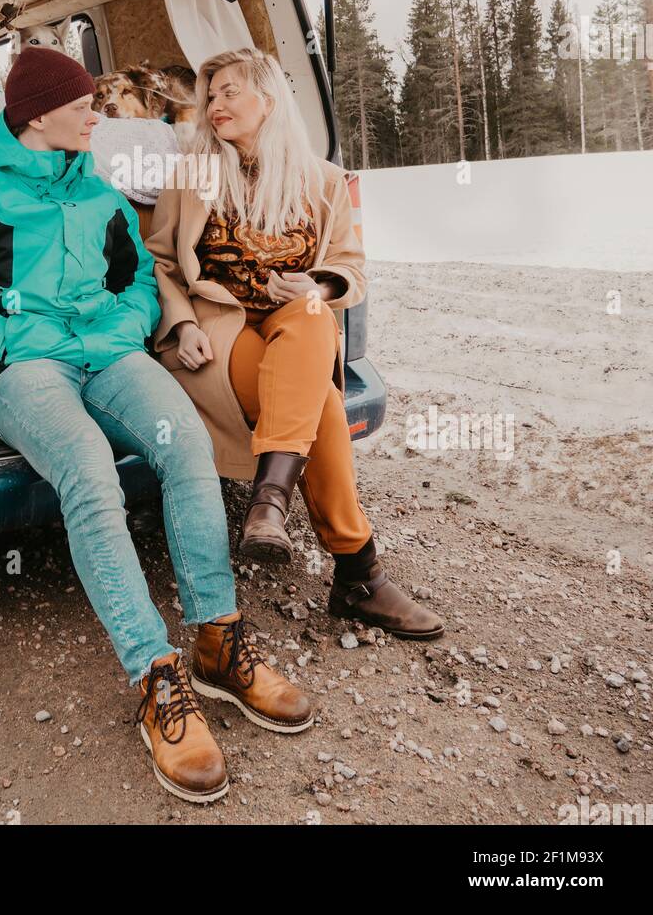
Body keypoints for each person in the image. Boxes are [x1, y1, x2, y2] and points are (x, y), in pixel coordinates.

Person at [0, 46, 314, 803]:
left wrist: (122, 331)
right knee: (88, 468)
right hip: (23, 370)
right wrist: (0, 338)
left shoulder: (103, 196)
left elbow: (137, 285)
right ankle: (157, 675)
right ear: (38, 114)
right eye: (83, 103)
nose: (97, 114)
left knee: (184, 441)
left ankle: (218, 639)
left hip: (108, 357)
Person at [145, 47, 444, 640]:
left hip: (294, 327)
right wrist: (179, 324)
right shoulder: (195, 174)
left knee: (310, 313)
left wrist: (321, 281)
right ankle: (355, 569)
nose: (215, 103)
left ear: (269, 100)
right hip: (220, 329)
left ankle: (271, 501)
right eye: (210, 94)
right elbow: (158, 263)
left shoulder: (324, 181)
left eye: (231, 90)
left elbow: (350, 268)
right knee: (323, 404)